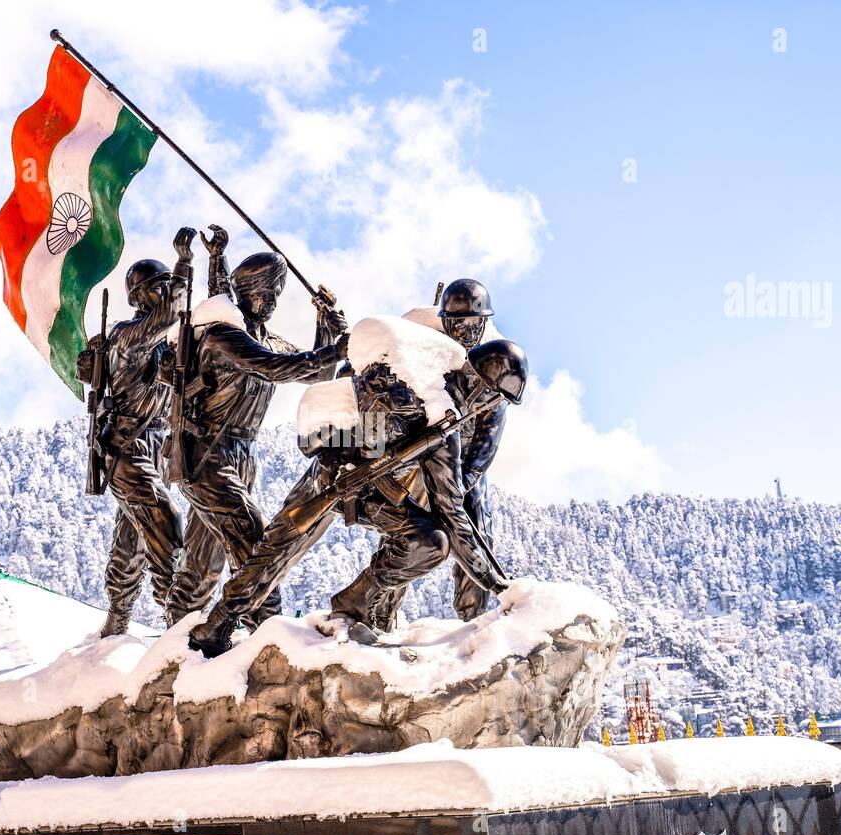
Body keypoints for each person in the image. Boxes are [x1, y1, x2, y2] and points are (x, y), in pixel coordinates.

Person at [187, 333, 529, 657]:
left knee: (427, 541)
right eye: (492, 396)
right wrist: (354, 459)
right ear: (478, 382)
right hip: (339, 478)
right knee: (276, 549)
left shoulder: (443, 420)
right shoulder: (417, 392)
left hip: (363, 483)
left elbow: (450, 508)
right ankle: (217, 624)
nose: (488, 406)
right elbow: (363, 427)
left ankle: (350, 606)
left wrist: (496, 584)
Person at [163, 225, 347, 643]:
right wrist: (335, 349)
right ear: (246, 293)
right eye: (267, 294)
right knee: (254, 547)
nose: (273, 303)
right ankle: (269, 635)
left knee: (204, 560)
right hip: (206, 455)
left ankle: (174, 638)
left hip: (241, 458)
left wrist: (327, 330)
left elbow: (317, 372)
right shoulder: (222, 335)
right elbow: (272, 367)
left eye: (277, 295)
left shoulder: (266, 338)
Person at [76, 226, 195, 636]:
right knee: (165, 520)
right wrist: (183, 263)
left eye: (167, 286)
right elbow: (172, 312)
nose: (166, 292)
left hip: (154, 448)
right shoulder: (130, 336)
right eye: (158, 287)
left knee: (133, 536)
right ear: (140, 297)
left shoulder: (162, 345)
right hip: (126, 449)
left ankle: (116, 619)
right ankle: (178, 620)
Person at [433, 278, 510, 621]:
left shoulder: (492, 374)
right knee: (408, 536)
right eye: (457, 324)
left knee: (478, 534)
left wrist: (457, 487)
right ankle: (380, 614)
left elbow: (484, 448)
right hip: (426, 464)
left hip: (467, 470)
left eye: (472, 324)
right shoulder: (428, 365)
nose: (464, 332)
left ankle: (473, 620)